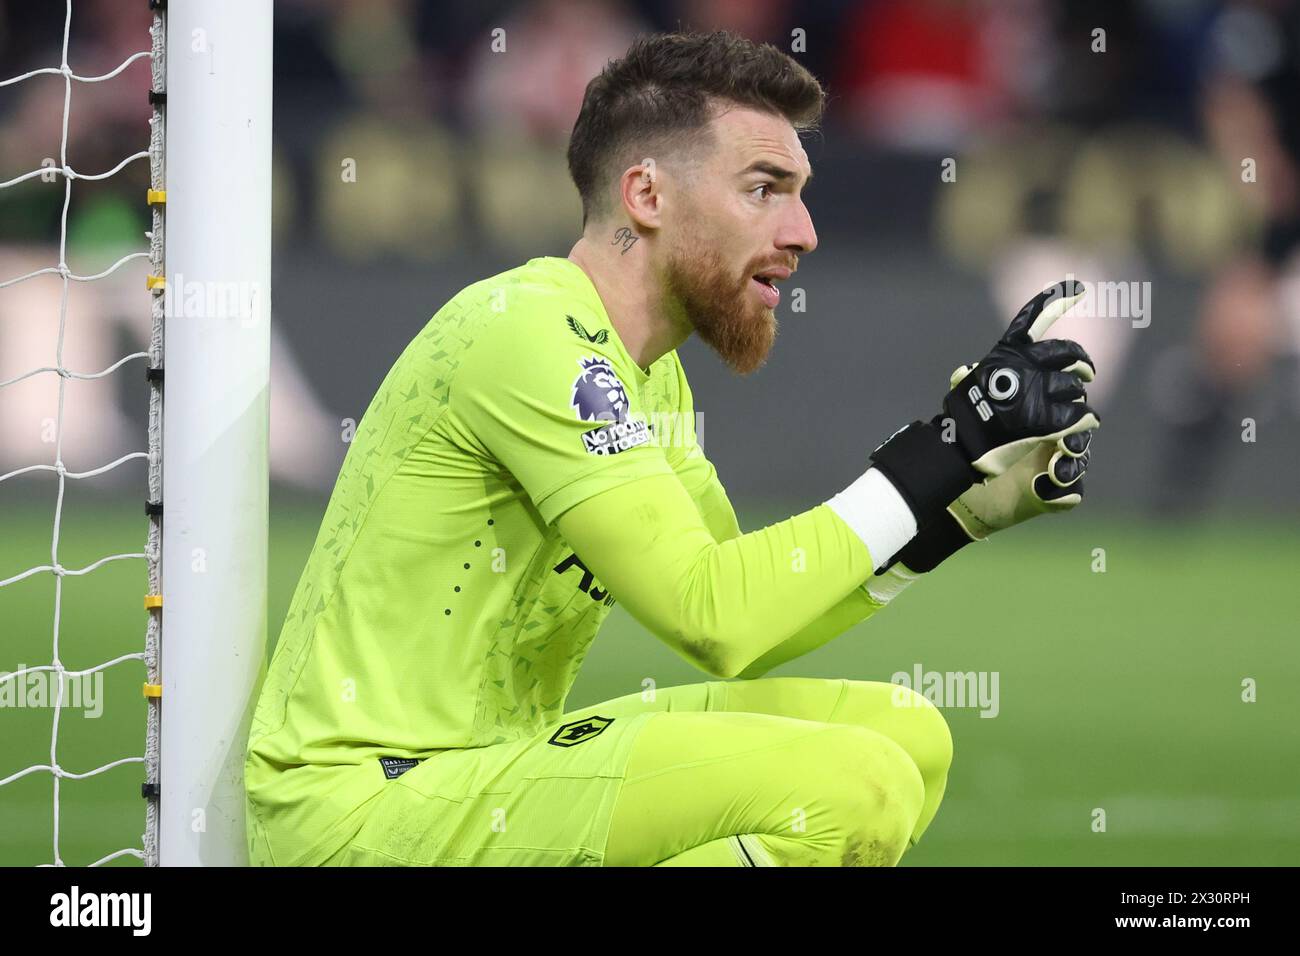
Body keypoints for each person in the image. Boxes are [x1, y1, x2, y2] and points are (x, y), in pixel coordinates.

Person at [244, 31, 1098, 867]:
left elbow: (752, 621)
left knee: (906, 736)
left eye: (800, 192)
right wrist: (944, 445)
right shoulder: (531, 333)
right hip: (365, 807)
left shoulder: (650, 377)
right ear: (647, 195)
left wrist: (953, 515)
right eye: (765, 188)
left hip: (490, 768)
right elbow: (712, 616)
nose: (803, 231)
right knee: (853, 784)